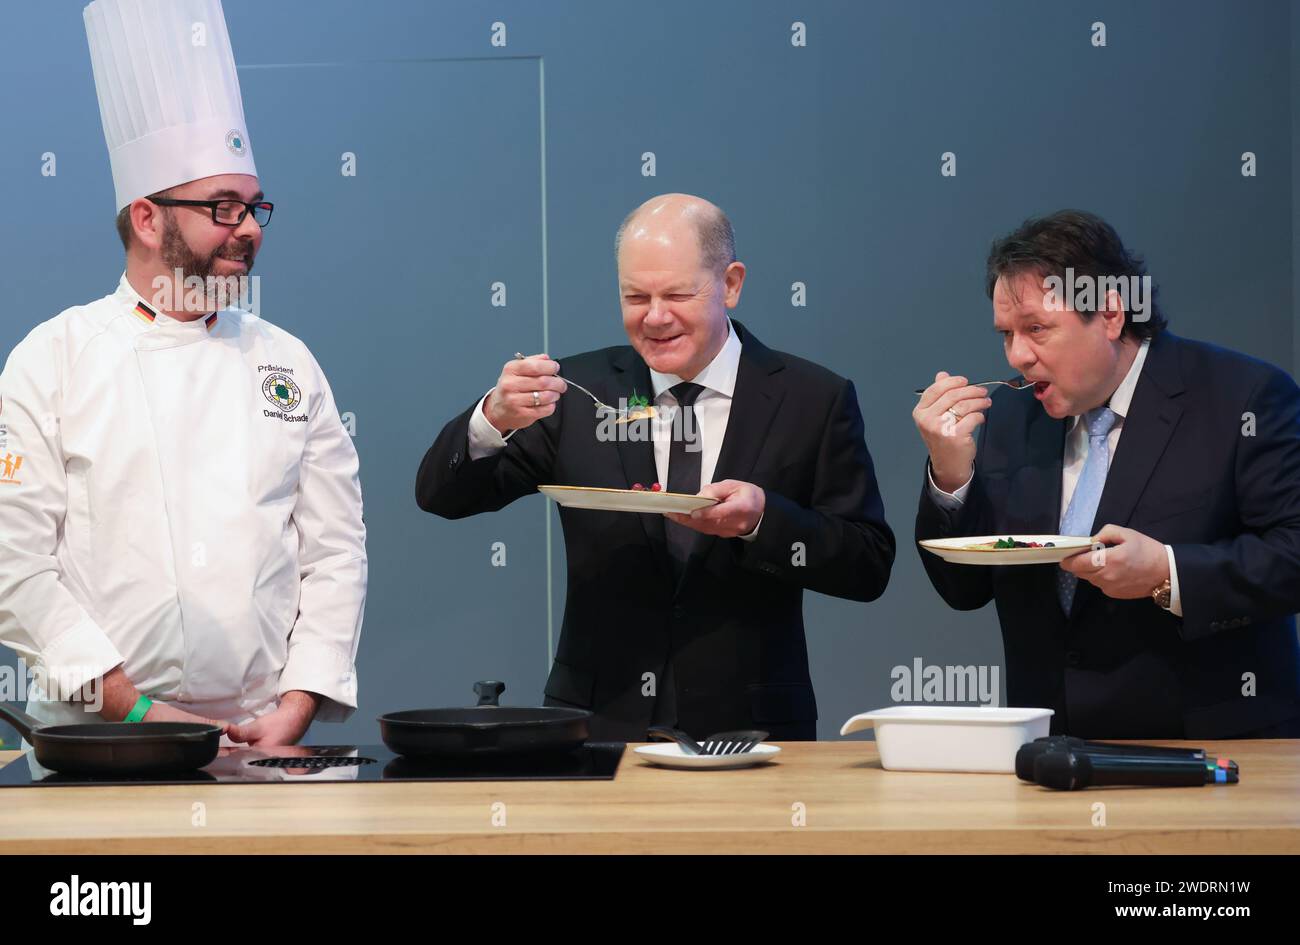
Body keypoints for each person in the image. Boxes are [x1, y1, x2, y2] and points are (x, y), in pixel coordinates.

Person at [0, 0, 366, 747]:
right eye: (223, 209)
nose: (251, 228)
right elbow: (15, 560)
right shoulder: (54, 357)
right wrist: (131, 706)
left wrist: (297, 703)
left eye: (254, 206)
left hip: (262, 735)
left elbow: (335, 549)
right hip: (99, 737)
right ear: (146, 218)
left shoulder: (286, 361)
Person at [416, 193, 894, 741]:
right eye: (635, 296)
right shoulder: (576, 392)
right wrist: (491, 419)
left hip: (754, 734)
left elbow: (867, 565)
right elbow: (442, 496)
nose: (655, 316)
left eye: (677, 294)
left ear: (731, 284)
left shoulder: (812, 398)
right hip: (599, 727)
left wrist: (763, 523)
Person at [913, 209, 1300, 738]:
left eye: (1037, 329)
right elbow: (963, 588)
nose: (1018, 356)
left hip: (1206, 748)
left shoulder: (1243, 399)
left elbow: (1292, 555)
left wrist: (1167, 573)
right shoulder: (1010, 418)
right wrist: (950, 474)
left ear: (1111, 313)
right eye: (1006, 333)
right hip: (1052, 750)